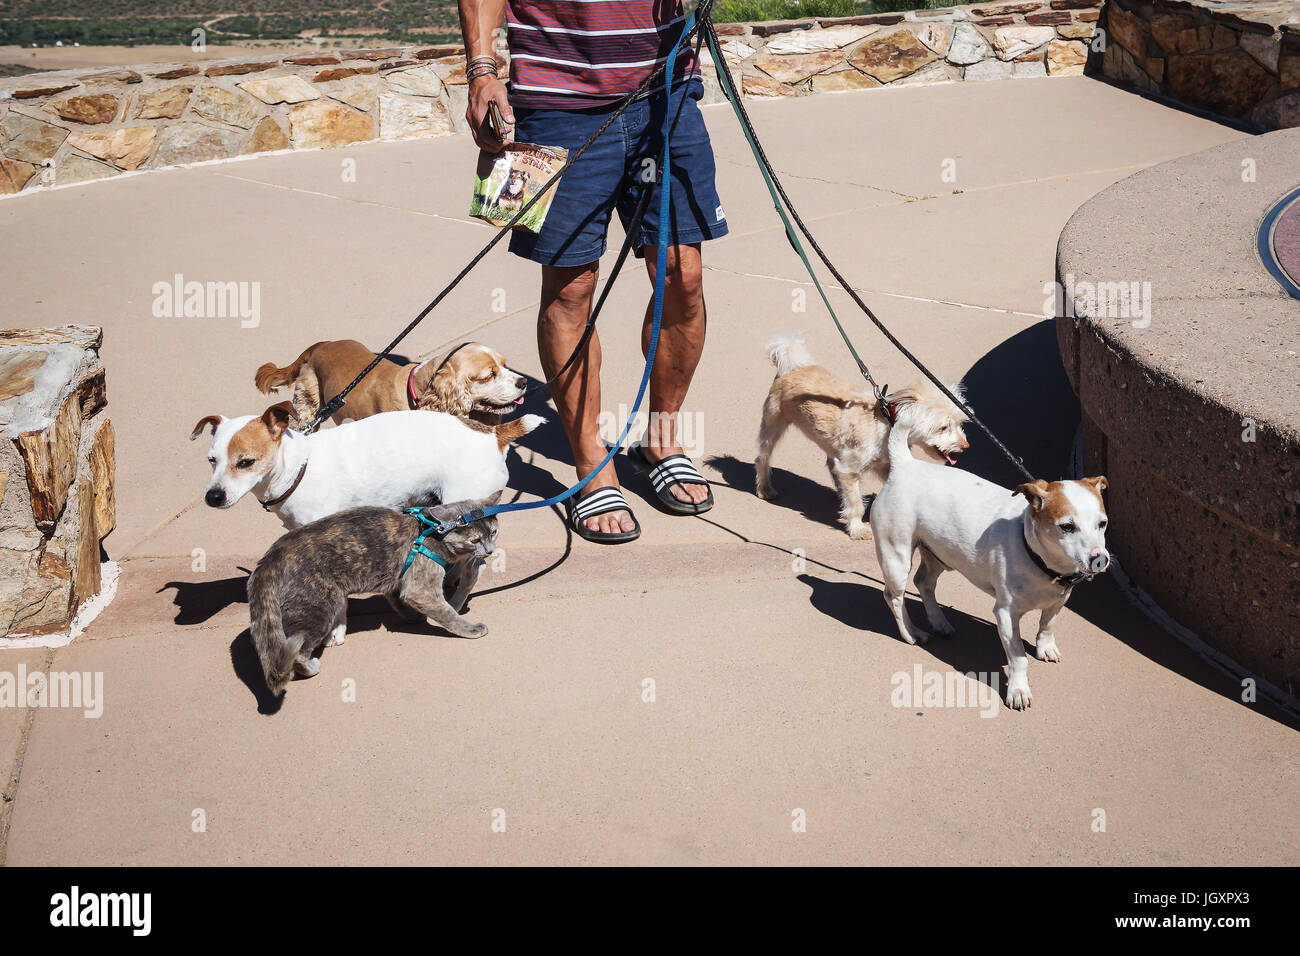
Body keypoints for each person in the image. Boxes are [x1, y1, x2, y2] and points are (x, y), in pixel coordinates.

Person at [458, 0, 728, 543]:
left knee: (684, 276)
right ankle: (591, 464)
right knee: (571, 290)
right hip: (559, 103)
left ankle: (661, 441)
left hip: (665, 92)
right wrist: (482, 70)